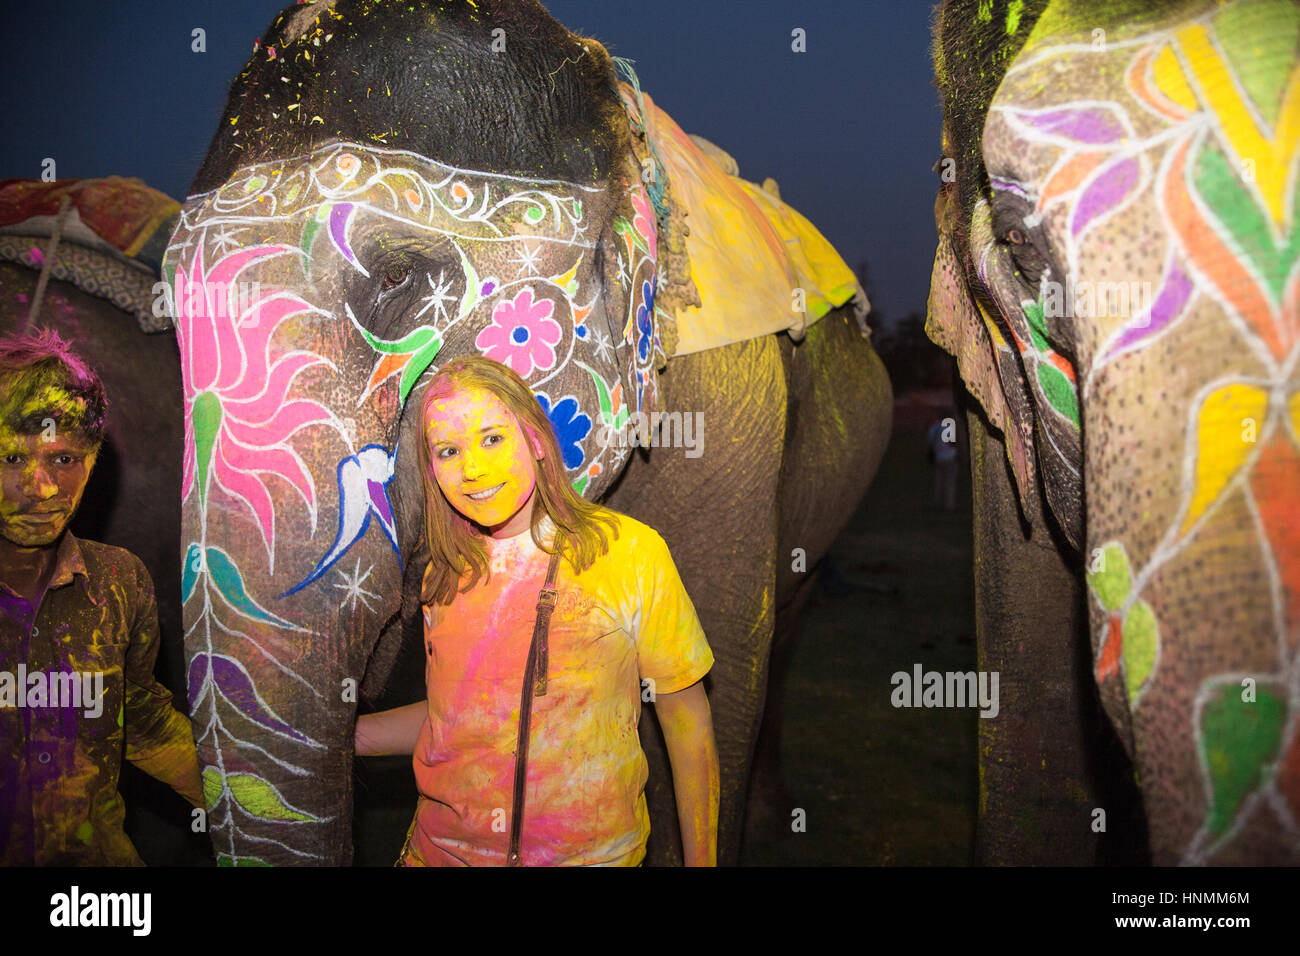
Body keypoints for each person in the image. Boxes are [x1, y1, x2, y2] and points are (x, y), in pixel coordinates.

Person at [356, 355, 719, 866]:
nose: (473, 469)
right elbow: (457, 721)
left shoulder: (628, 555)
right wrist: (347, 737)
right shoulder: (442, 575)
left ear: (537, 440)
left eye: (492, 438)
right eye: (449, 450)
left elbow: (689, 725)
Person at [0, 329, 204, 865]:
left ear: (92, 460)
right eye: (12, 459)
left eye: (64, 459)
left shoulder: (118, 581)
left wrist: (263, 804)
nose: (43, 487)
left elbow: (138, 717)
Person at [927, 412, 959, 512]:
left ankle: (938, 503)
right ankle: (948, 505)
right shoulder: (948, 427)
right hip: (949, 457)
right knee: (949, 483)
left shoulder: (934, 428)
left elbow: (930, 443)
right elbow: (952, 442)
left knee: (939, 482)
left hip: (938, 457)